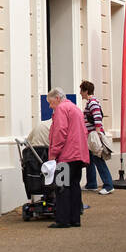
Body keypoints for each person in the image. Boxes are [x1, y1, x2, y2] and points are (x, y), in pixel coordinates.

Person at [45, 88, 90, 229]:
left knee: (62, 187)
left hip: (66, 156)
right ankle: (75, 218)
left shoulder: (61, 109)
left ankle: (63, 220)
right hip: (78, 155)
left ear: (57, 98)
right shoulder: (75, 108)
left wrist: (53, 153)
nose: (51, 106)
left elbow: (60, 131)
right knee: (75, 187)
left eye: (51, 103)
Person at [79, 80, 114, 195]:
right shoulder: (91, 102)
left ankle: (108, 186)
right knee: (89, 160)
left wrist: (98, 134)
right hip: (91, 137)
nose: (80, 93)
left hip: (94, 137)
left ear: (86, 91)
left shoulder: (92, 102)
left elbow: (97, 117)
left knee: (99, 160)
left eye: (81, 90)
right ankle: (91, 184)